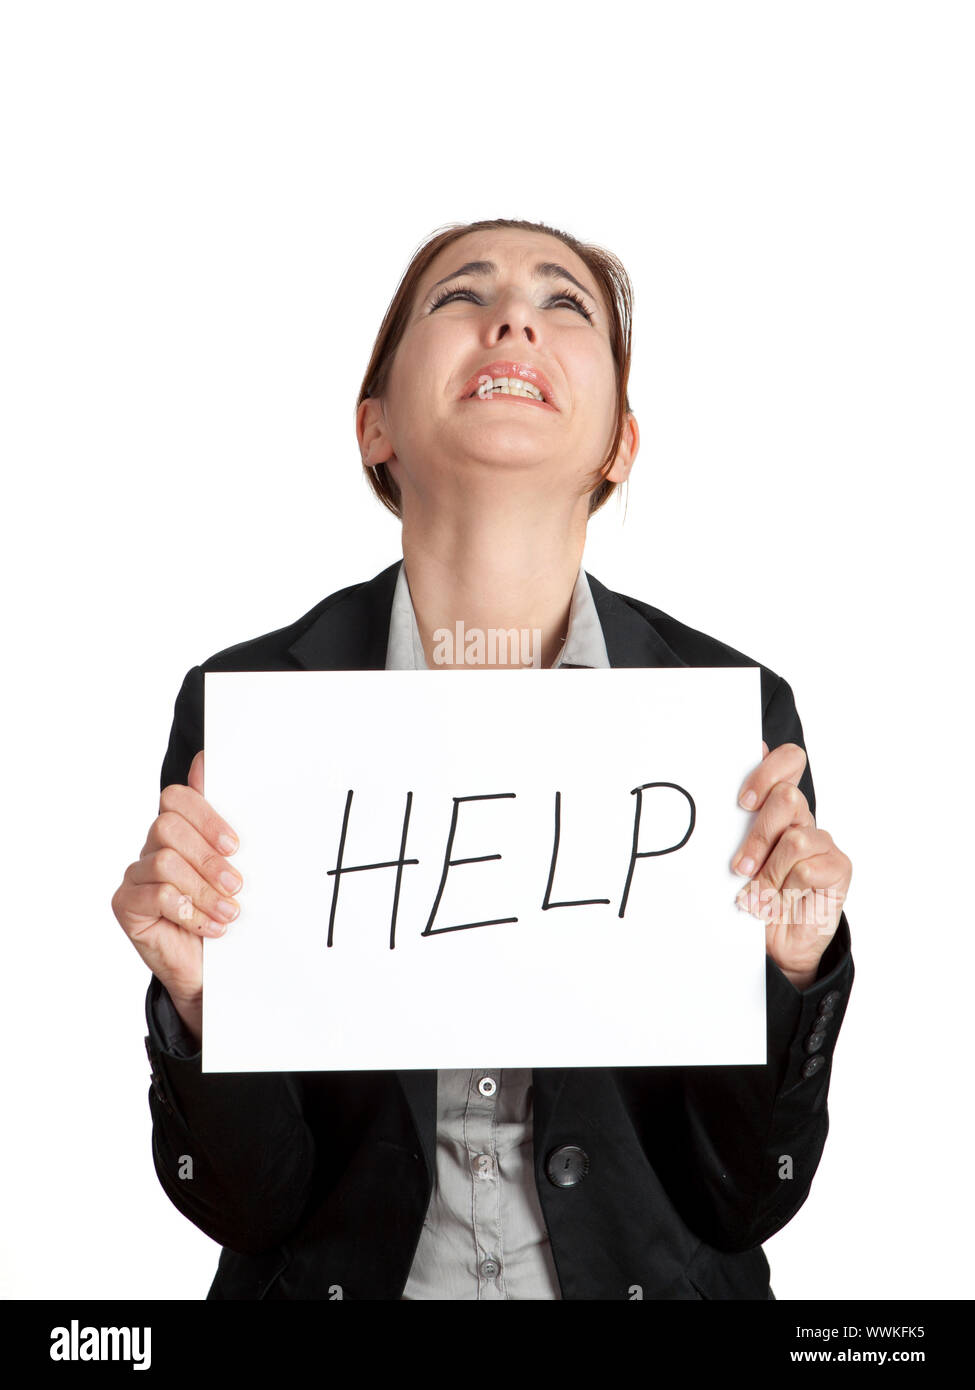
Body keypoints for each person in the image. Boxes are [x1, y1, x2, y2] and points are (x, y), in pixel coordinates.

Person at [112, 217, 854, 1300]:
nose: (513, 316)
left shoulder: (731, 721)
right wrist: (199, 1000)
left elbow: (742, 1199)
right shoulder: (254, 711)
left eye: (566, 305)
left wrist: (792, 973)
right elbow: (250, 1205)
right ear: (376, 428)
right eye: (460, 296)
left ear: (620, 446)